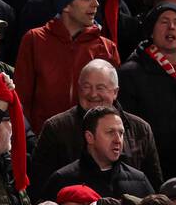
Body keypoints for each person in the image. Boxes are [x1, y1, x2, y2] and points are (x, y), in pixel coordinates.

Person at [31, 59, 163, 198]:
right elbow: (39, 189)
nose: (93, 94)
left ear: (115, 92)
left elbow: (154, 191)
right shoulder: (56, 128)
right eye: (86, 87)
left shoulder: (141, 129)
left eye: (100, 88)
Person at [14, 0, 119, 132]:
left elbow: (113, 102)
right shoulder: (34, 40)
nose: (96, 4)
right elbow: (21, 97)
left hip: (90, 142)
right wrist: (29, 137)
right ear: (66, 5)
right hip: (42, 140)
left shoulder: (107, 47)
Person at [118, 1, 176, 178]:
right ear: (151, 30)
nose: (171, 27)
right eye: (164, 21)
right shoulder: (130, 73)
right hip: (147, 165)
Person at [43, 105, 155, 201]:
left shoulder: (140, 181)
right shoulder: (62, 180)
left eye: (121, 133)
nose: (118, 140)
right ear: (90, 137)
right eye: (110, 132)